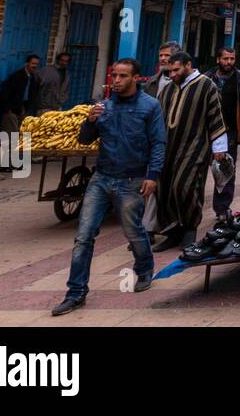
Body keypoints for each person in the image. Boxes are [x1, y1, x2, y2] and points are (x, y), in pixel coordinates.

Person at [51, 58, 165, 316]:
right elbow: (85, 140)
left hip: (131, 179)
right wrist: (90, 121)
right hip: (101, 178)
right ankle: (76, 292)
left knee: (133, 230)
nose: (116, 80)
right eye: (114, 75)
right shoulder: (104, 107)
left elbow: (158, 143)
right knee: (84, 236)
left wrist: (153, 175)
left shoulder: (150, 107)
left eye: (123, 76)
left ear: (136, 78)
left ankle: (145, 268)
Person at [153, 51, 228, 250]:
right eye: (170, 71)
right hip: (168, 148)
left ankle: (189, 230)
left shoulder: (206, 86)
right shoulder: (167, 90)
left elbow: (216, 116)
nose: (173, 74)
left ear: (188, 65)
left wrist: (219, 148)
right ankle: (173, 232)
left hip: (195, 148)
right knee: (166, 188)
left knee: (185, 187)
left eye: (177, 70)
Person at [203, 46, 240, 220]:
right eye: (225, 59)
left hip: (229, 132)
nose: (229, 62)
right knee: (199, 169)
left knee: (226, 170)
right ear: (218, 59)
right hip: (206, 132)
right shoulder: (206, 78)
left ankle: (222, 208)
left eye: (232, 59)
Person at [0, 54, 41, 131]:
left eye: (36, 64)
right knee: (10, 133)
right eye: (33, 63)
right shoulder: (17, 76)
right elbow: (6, 92)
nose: (35, 66)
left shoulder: (34, 78)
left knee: (24, 131)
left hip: (23, 108)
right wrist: (7, 109)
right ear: (27, 64)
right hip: (11, 109)